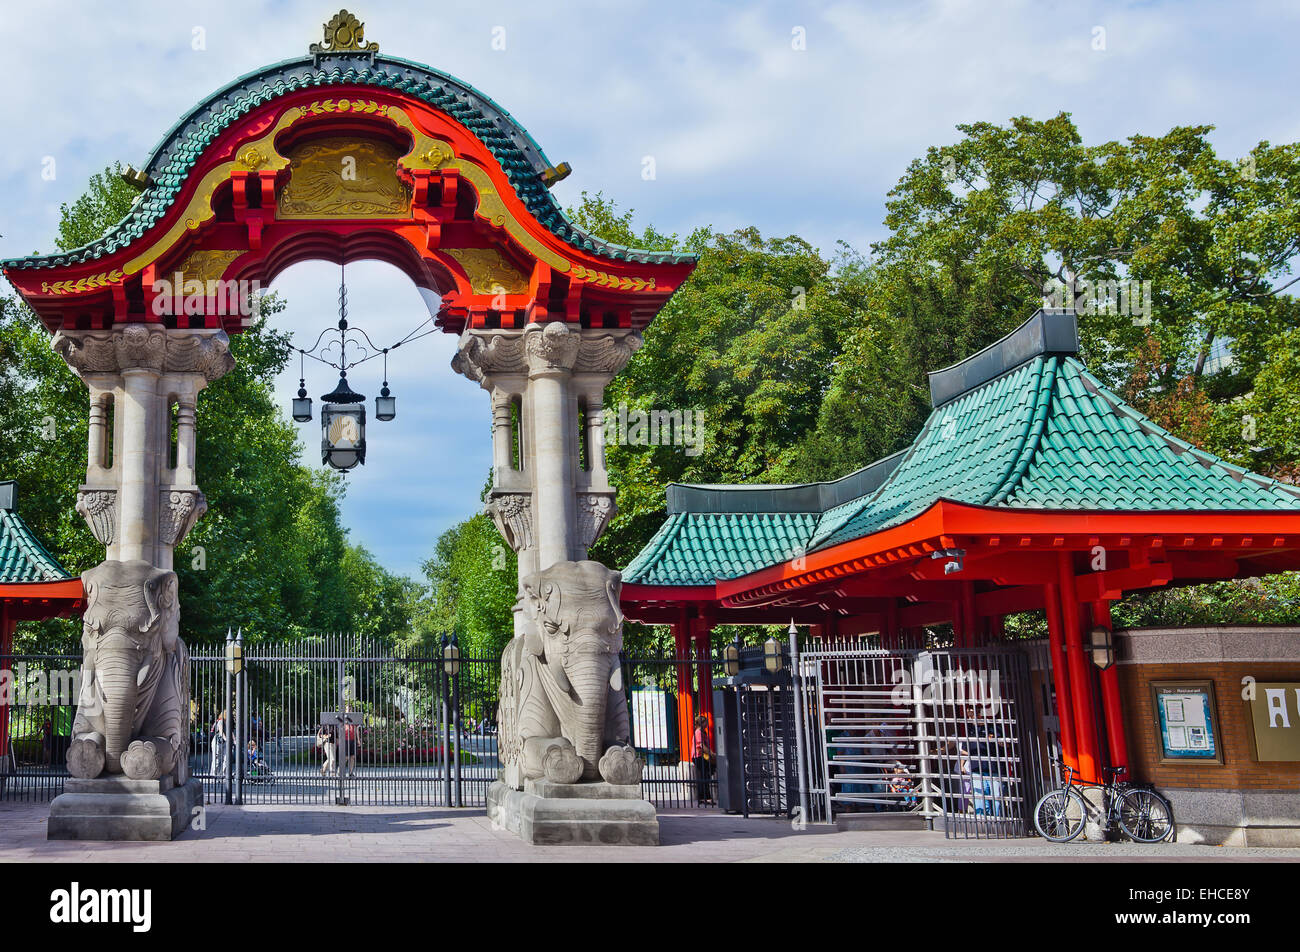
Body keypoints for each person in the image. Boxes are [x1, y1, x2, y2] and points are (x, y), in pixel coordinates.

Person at [692, 714, 715, 806]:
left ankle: (703, 797)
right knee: (705, 776)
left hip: (701, 756)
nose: (707, 724)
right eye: (705, 722)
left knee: (704, 775)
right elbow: (701, 745)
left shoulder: (702, 732)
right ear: (702, 723)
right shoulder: (698, 732)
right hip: (699, 756)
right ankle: (706, 798)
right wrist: (711, 753)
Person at [210, 709, 228, 776]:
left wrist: (235, 741)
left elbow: (231, 733)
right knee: (216, 760)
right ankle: (213, 775)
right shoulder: (220, 721)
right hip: (217, 741)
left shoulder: (228, 722)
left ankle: (223, 775)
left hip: (225, 742)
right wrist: (226, 739)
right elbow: (221, 732)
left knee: (226, 759)